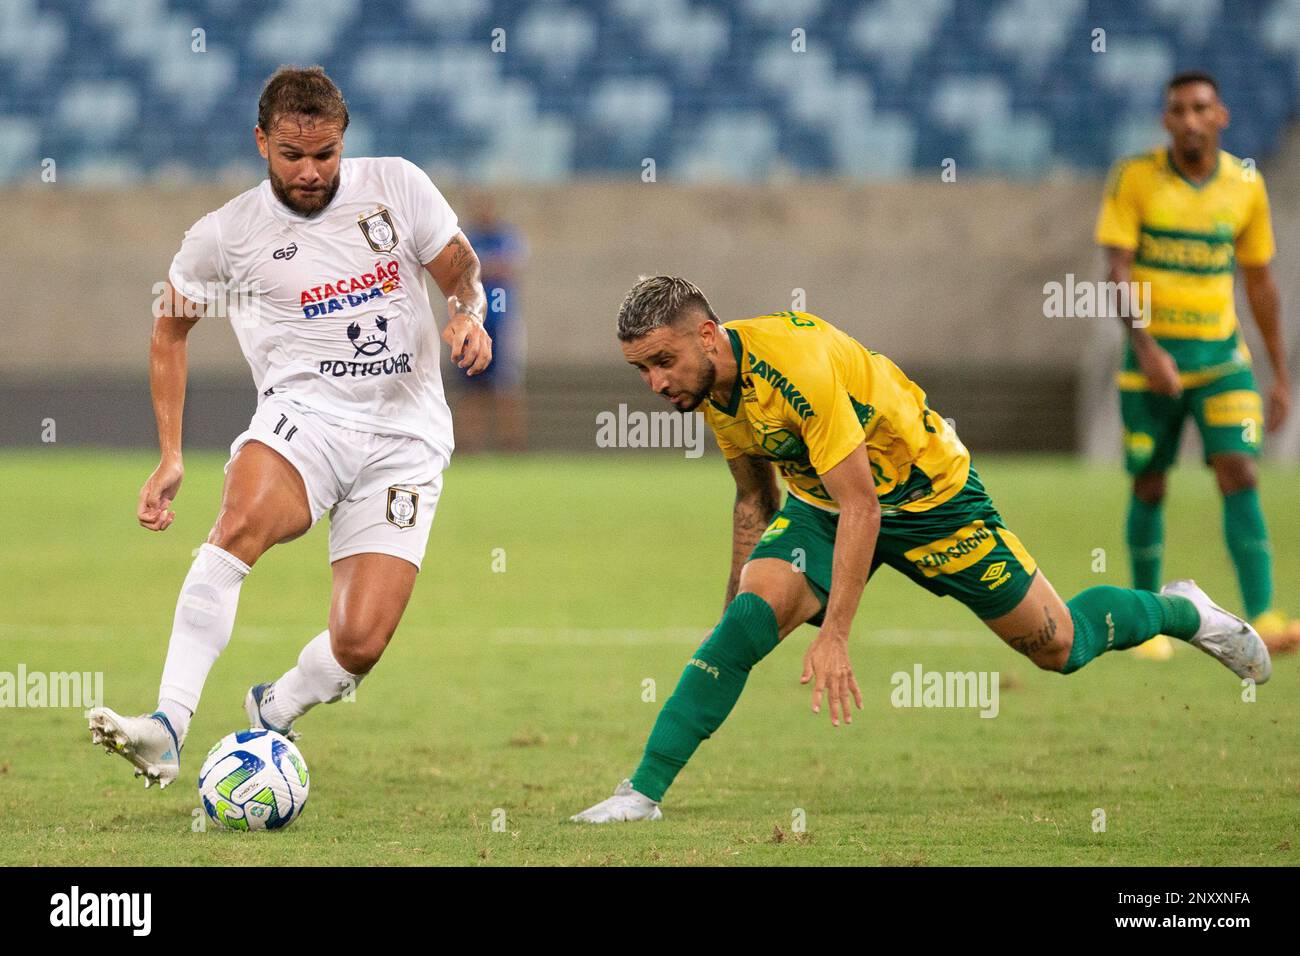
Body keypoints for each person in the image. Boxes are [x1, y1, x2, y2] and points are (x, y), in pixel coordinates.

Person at [571, 276, 1269, 823]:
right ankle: (642, 793)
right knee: (752, 617)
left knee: (1061, 646)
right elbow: (756, 500)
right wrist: (731, 617)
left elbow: (864, 506)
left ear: (709, 336)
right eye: (642, 370)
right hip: (825, 502)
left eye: (663, 362)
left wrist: (835, 634)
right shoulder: (713, 390)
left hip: (929, 498)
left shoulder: (794, 369)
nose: (656, 384)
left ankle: (1184, 612)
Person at [87, 66, 492, 788]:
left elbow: (461, 270)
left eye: (325, 155)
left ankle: (273, 709)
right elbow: (169, 332)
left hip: (407, 437)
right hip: (304, 418)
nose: (310, 172)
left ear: (345, 141)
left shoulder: (398, 186)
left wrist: (468, 312)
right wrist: (171, 454)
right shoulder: (225, 236)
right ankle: (168, 725)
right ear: (260, 142)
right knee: (237, 525)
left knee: (361, 642)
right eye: (291, 156)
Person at [1096, 70, 1298, 657]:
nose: (1188, 119)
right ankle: (1141, 620)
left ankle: (1263, 612)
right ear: (1165, 120)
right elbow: (1117, 270)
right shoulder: (1134, 179)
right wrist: (1146, 347)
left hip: (1221, 361)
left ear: (1220, 117)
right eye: (1178, 109)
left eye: (1200, 108)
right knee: (1150, 482)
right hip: (1150, 365)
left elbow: (1260, 283)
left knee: (1240, 470)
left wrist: (1279, 374)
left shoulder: (1245, 186)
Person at [453, 194, 528, 451]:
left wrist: (480, 267)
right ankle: (469, 442)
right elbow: (458, 269)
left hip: (502, 321)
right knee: (472, 384)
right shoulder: (467, 239)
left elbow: (507, 266)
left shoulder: (505, 237)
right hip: (471, 321)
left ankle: (512, 441)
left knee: (506, 383)